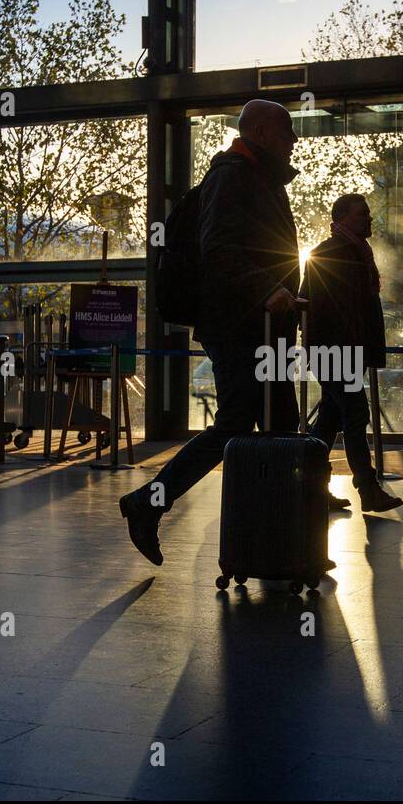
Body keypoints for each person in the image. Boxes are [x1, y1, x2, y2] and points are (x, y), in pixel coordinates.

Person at [119, 100, 303, 565]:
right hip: (240, 327)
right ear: (260, 131)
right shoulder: (233, 175)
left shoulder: (257, 176)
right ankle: (147, 503)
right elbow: (217, 249)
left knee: (282, 427)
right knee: (238, 422)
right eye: (287, 133)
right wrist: (268, 289)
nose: (294, 142)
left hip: (263, 329)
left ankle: (279, 538)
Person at [299, 194, 402, 513]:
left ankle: (309, 486)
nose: (369, 220)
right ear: (342, 218)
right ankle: (367, 489)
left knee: (329, 420)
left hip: (340, 351)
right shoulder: (336, 255)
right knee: (356, 414)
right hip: (336, 352)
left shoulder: (353, 254)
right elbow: (324, 308)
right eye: (362, 215)